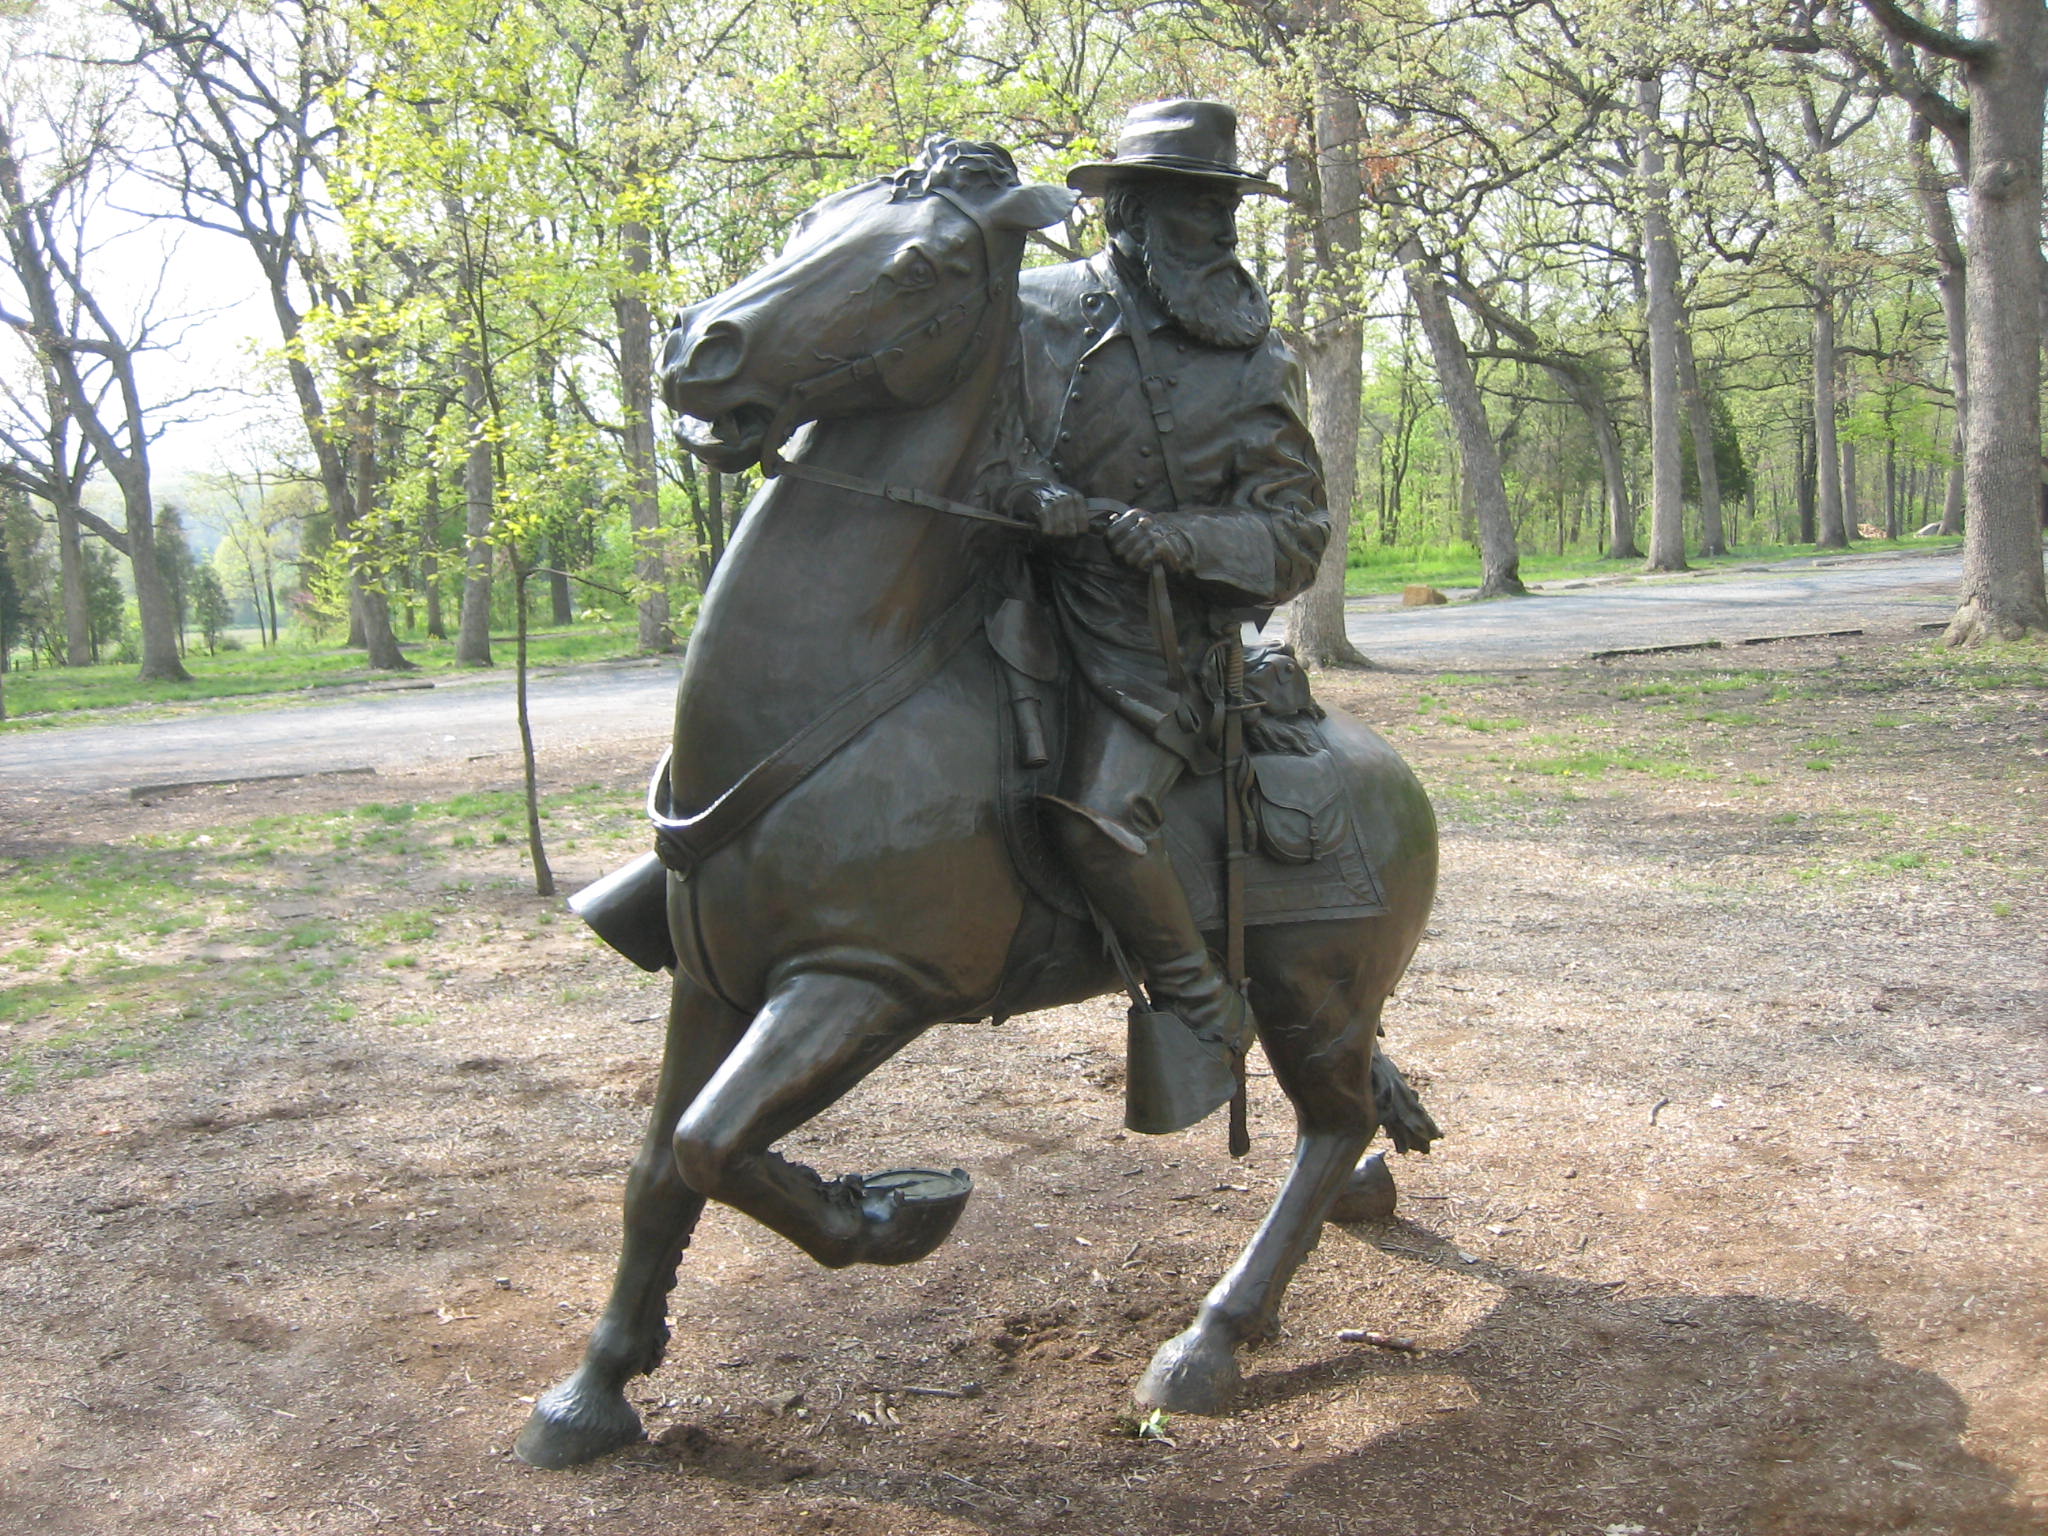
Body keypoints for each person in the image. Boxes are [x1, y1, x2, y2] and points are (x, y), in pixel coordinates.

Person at [1002, 100, 1331, 1066]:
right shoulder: (1030, 309)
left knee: (1103, 819)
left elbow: (1296, 531)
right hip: (998, 602)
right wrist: (1029, 491)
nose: (1224, 228)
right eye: (1198, 205)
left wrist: (1183, 541)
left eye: (1227, 204)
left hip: (1146, 651)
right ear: (1130, 214)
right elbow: (976, 443)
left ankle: (1203, 1013)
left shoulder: (1252, 358)